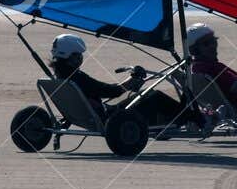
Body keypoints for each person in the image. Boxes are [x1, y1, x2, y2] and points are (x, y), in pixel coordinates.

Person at [47, 34, 198, 128]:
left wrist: (131, 83)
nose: (80, 58)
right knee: (153, 95)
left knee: (140, 96)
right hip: (108, 117)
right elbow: (111, 91)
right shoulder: (77, 78)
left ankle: (178, 118)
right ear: (70, 56)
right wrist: (132, 80)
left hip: (86, 116)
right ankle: (190, 117)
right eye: (78, 55)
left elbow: (104, 90)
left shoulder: (58, 77)